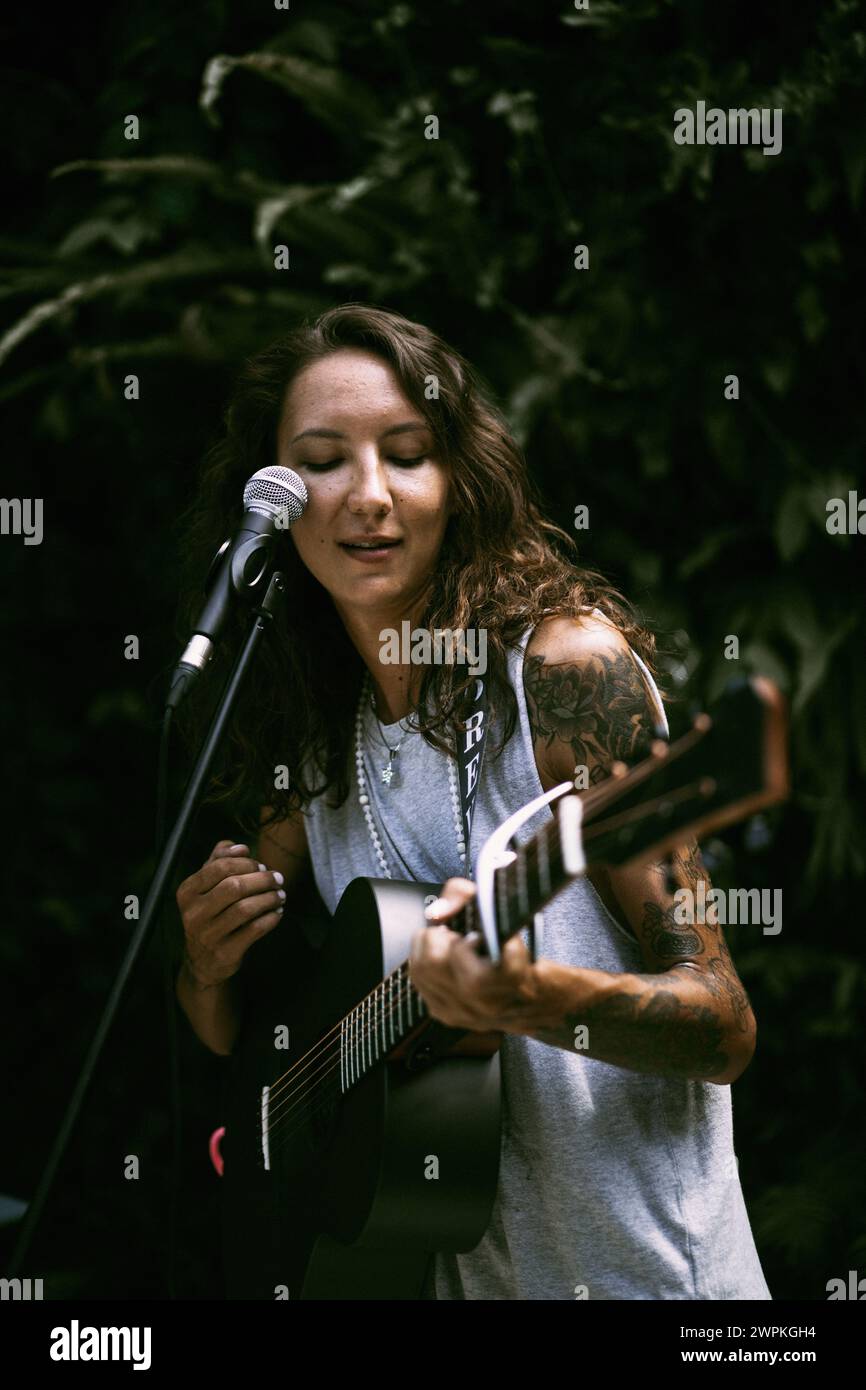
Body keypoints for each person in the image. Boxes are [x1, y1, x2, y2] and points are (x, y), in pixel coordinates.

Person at [175, 303, 771, 1301]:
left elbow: (722, 1025)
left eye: (406, 454)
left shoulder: (564, 675)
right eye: (320, 461)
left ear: (457, 481)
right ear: (274, 502)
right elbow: (259, 1063)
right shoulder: (319, 742)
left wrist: (525, 999)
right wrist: (203, 971)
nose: (367, 495)